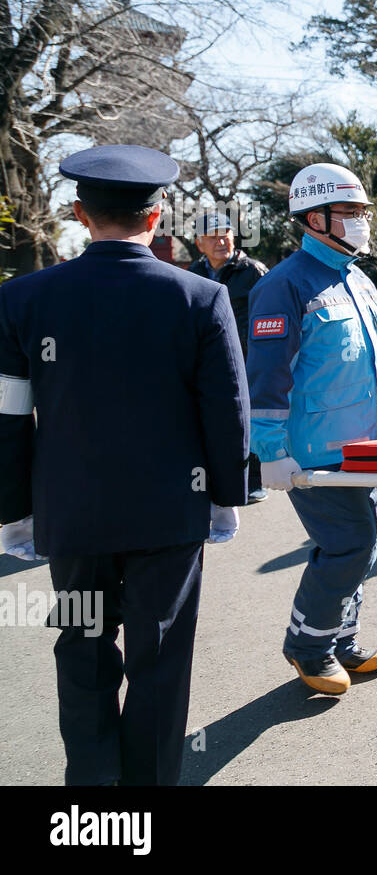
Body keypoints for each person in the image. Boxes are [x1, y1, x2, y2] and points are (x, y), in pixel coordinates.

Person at [0, 145, 249, 784]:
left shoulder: (23, 299)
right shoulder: (199, 297)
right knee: (159, 660)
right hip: (169, 512)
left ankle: (92, 799)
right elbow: (226, 409)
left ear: (81, 213)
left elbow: (6, 418)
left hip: (72, 514)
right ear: (157, 217)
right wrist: (225, 496)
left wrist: (15, 512)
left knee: (82, 652)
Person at [246, 162, 377, 695]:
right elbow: (265, 378)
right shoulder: (282, 286)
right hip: (311, 452)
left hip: (366, 446)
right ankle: (307, 647)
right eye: (350, 213)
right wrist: (269, 452)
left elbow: (370, 367)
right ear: (314, 218)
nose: (361, 222)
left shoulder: (358, 279)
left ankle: (341, 639)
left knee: (366, 542)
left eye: (362, 212)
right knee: (346, 545)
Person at [189, 210, 269, 518]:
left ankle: (254, 480)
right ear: (199, 243)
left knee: (249, 418)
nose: (221, 241)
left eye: (226, 234)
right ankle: (214, 478)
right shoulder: (193, 271)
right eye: (212, 236)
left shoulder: (253, 271)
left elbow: (270, 314)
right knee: (212, 417)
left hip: (248, 356)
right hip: (207, 357)